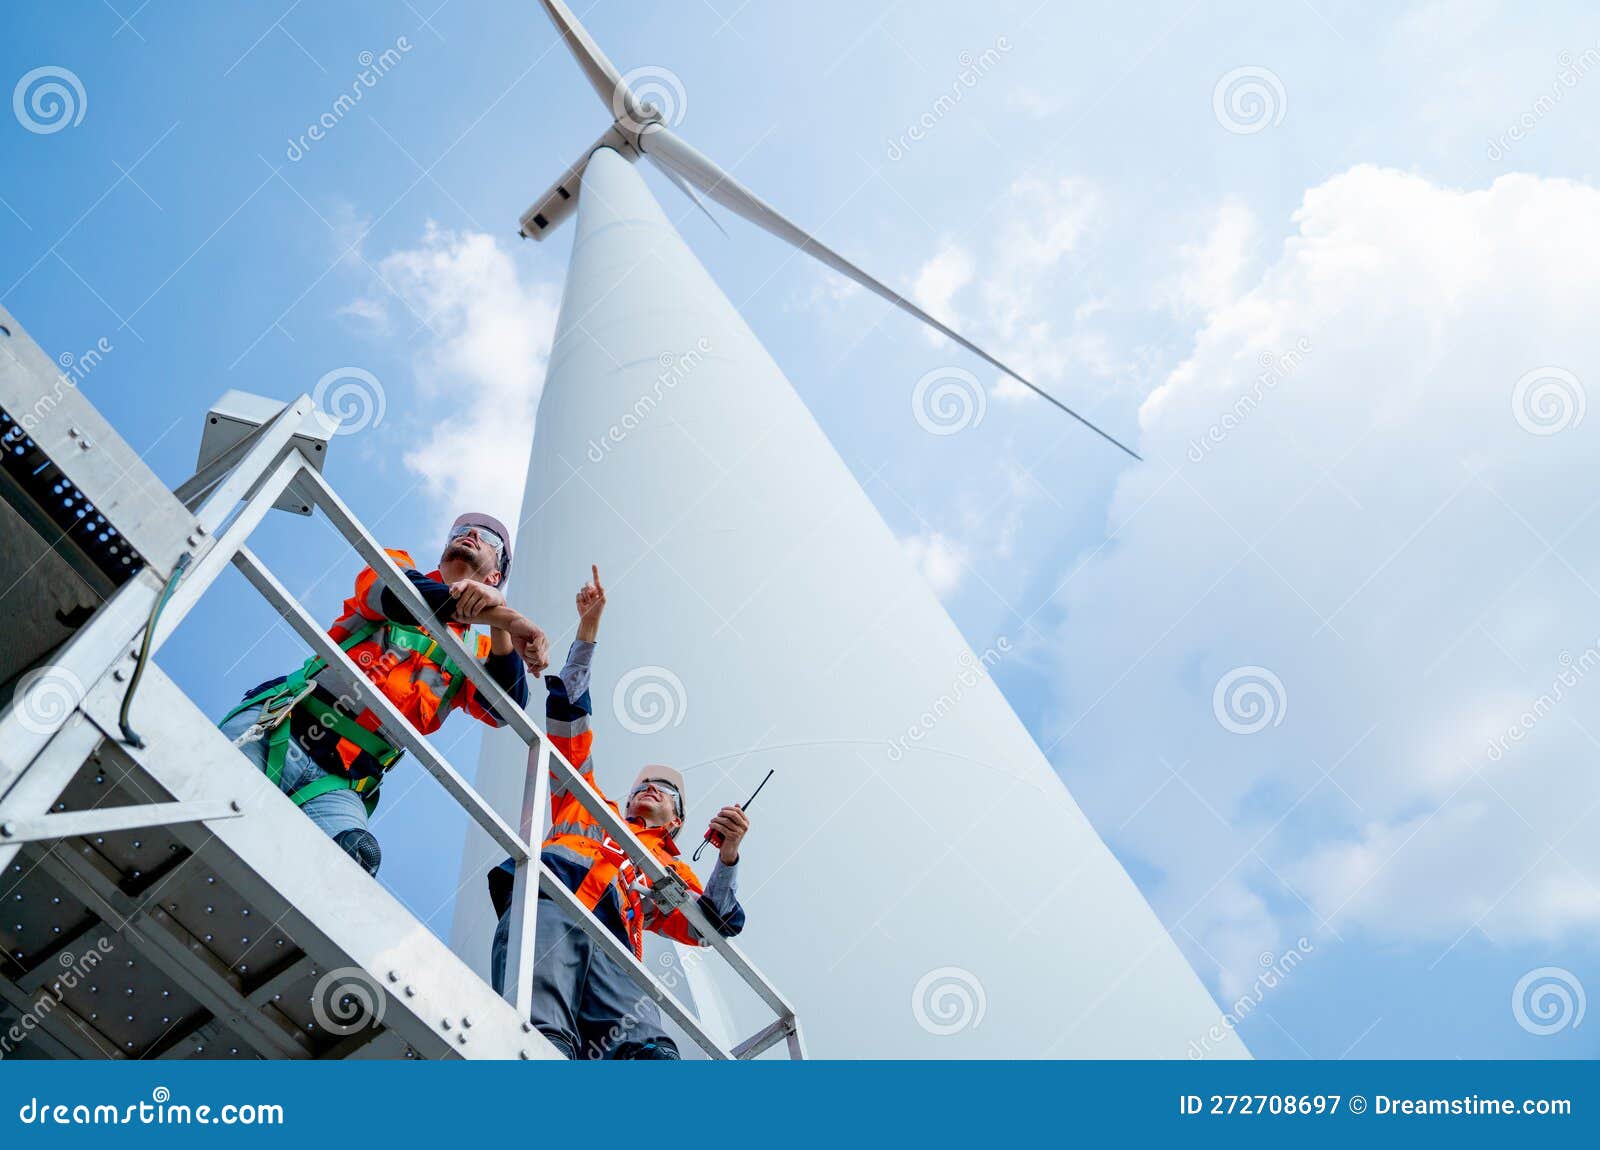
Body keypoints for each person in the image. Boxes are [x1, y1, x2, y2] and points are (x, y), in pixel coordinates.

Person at [488, 565, 750, 1060]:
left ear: (676, 822)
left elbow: (711, 924)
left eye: (665, 791)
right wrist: (588, 630)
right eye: (644, 784)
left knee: (645, 1049)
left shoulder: (670, 870)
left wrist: (729, 855)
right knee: (538, 1025)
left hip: (616, 942)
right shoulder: (583, 802)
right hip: (552, 900)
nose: (650, 789)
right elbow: (568, 713)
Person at [220, 513, 549, 876]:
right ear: (441, 557)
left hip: (339, 783)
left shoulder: (478, 650)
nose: (470, 533)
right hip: (279, 729)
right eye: (460, 530)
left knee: (349, 869)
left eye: (488, 537)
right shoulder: (396, 567)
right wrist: (501, 615)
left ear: (494, 578)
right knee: (204, 789)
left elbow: (505, 710)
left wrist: (500, 622)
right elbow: (396, 595)